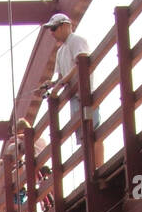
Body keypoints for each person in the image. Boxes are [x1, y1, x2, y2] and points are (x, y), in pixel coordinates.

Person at [38, 12, 103, 165]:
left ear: (65, 25)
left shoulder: (77, 40)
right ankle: (92, 168)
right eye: (51, 29)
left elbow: (80, 63)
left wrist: (60, 84)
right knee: (83, 136)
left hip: (87, 92)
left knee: (94, 131)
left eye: (54, 28)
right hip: (75, 97)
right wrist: (52, 83)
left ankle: (99, 166)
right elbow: (61, 75)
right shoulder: (60, 51)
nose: (52, 32)